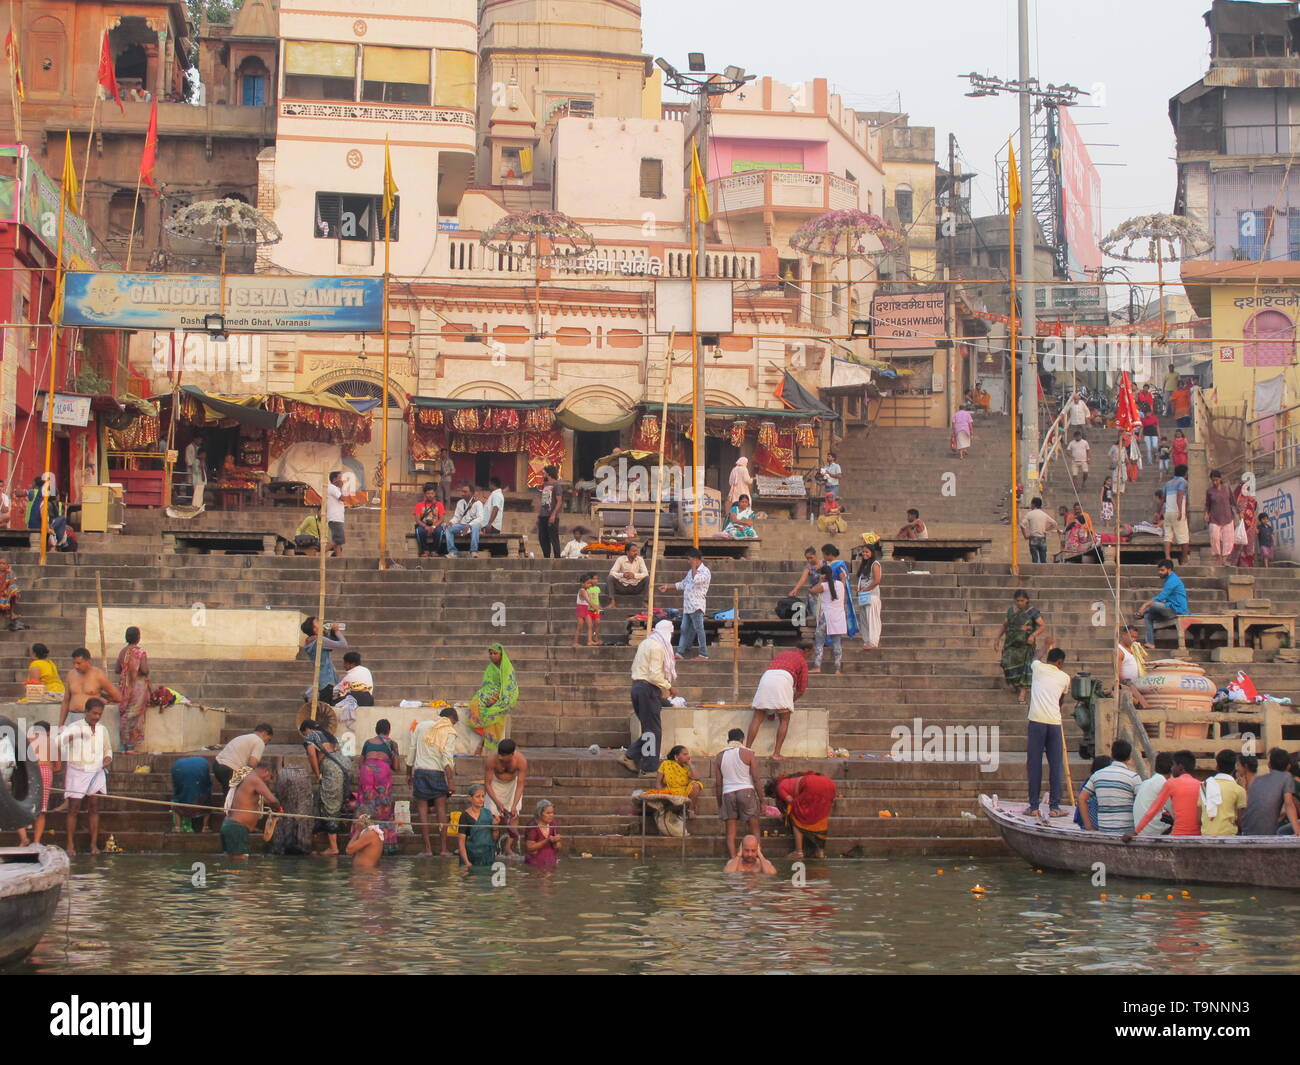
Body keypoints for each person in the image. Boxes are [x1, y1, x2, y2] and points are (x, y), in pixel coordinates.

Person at [622, 619, 678, 774]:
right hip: (647, 688)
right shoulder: (657, 647)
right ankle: (639, 761)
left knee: (650, 731)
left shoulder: (646, 643)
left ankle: (640, 761)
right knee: (653, 732)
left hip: (637, 687)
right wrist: (669, 686)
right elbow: (654, 675)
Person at [60, 698, 113, 855]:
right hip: (77, 770)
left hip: (96, 771)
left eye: (99, 714)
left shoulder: (103, 729)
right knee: (73, 808)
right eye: (94, 713)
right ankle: (70, 845)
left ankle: (93, 845)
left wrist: (108, 759)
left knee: (94, 806)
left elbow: (108, 749)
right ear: (86, 711)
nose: (96, 717)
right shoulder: (74, 727)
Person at [1024, 645, 1071, 818]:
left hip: (1036, 722)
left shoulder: (1037, 667)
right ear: (1060, 662)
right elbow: (1061, 701)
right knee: (1056, 765)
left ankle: (1034, 806)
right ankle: (1055, 807)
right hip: (1054, 723)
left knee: (1034, 764)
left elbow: (1036, 655)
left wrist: (1045, 643)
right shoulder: (1065, 677)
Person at [408, 707, 458, 856]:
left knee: (422, 810)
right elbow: (447, 758)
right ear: (451, 719)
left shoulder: (422, 726)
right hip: (437, 772)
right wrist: (450, 780)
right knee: (441, 809)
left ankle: (427, 849)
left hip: (420, 771)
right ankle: (443, 849)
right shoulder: (449, 731)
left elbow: (412, 751)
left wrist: (408, 773)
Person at [744, 649, 808, 761]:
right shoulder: (802, 661)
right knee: (784, 720)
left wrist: (772, 710)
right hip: (783, 680)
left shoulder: (782, 653)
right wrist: (789, 701)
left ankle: (746, 750)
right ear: (808, 651)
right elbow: (801, 690)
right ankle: (776, 754)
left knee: (757, 717)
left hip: (767, 677)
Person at [301, 719, 352, 856]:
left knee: (330, 806)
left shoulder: (311, 736)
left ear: (307, 729)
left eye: (304, 733)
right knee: (335, 803)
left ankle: (333, 847)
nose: (304, 736)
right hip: (344, 769)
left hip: (332, 771)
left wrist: (317, 774)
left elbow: (312, 754)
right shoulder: (330, 736)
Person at [1125, 750, 1201, 839]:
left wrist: (1136, 831)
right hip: (1196, 834)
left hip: (1173, 833)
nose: (1172, 768)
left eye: (1173, 765)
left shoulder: (1166, 783)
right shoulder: (1200, 784)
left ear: (1180, 767)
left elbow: (1154, 810)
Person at [353, 719, 400, 854]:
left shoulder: (368, 742)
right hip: (382, 772)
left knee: (365, 805)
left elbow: (360, 763)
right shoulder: (392, 744)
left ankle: (362, 839)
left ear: (376, 730)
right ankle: (384, 843)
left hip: (366, 771)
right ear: (389, 730)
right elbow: (397, 767)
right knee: (383, 807)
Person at [767, 770, 836, 859]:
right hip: (829, 783)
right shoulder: (791, 780)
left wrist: (785, 815)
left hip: (811, 785)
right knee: (821, 817)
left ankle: (798, 852)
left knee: (796, 815)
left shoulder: (780, 787)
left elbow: (791, 801)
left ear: (773, 792)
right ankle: (820, 853)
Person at [715, 728, 761, 859]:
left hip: (727, 793)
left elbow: (718, 783)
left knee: (730, 833)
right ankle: (756, 858)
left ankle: (733, 861)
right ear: (742, 740)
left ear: (728, 740)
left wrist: (720, 803)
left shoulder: (719, 756)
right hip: (746, 791)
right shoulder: (749, 753)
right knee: (754, 828)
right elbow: (756, 779)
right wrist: (762, 800)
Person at [1077, 740, 1142, 833]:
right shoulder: (1134, 777)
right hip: (1127, 832)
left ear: (1112, 754)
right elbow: (1140, 803)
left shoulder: (1097, 775)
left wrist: (1088, 826)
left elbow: (1082, 798)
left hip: (1104, 829)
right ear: (1129, 757)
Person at [659, 549, 711, 660]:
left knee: (699, 629)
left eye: (690, 560)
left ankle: (703, 654)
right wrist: (668, 586)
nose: (688, 562)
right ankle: (680, 652)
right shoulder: (690, 572)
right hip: (688, 606)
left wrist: (693, 567)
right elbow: (683, 584)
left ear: (696, 559)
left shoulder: (705, 572)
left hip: (697, 606)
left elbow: (696, 579)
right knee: (684, 628)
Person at [996, 590, 1046, 703]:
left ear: (1027, 600)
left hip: (1026, 645)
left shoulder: (1032, 611)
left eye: (1022, 601)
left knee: (1026, 668)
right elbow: (1005, 625)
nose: (1019, 603)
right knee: (1006, 663)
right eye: (1017, 601)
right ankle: (1015, 685)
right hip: (1011, 643)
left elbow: (1042, 626)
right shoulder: (1010, 610)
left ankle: (1022, 694)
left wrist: (1033, 635)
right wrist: (997, 639)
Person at [467, 643, 518, 755]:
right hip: (489, 692)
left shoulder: (507, 668)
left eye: (495, 653)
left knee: (492, 713)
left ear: (501, 654)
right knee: (474, 703)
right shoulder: (490, 668)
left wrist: (495, 699)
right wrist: (485, 697)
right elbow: (487, 685)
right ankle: (483, 736)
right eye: (490, 653)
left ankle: (482, 744)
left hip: (505, 697)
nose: (492, 656)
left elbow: (509, 688)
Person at [221, 763, 281, 858]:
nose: (269, 781)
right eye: (271, 777)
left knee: (232, 866)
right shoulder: (254, 779)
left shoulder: (246, 777)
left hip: (230, 826)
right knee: (240, 865)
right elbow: (273, 801)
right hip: (236, 828)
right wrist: (279, 809)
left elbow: (252, 799)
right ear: (266, 772)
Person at [58, 649, 121, 729]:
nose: (76, 666)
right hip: (73, 716)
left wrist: (102, 696)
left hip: (90, 719)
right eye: (74, 663)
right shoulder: (71, 674)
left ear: (89, 662)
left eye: (79, 663)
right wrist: (61, 724)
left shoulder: (98, 675)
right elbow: (66, 701)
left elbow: (117, 697)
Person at [484, 739, 527, 856]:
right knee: (492, 817)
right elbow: (487, 783)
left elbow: (521, 784)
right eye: (500, 754)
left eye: (504, 756)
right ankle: (491, 848)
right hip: (495, 785)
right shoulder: (492, 760)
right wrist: (497, 802)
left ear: (512, 754)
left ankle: (508, 848)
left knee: (514, 816)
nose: (501, 758)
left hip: (513, 785)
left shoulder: (521, 760)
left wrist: (514, 805)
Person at [1239, 747, 1295, 835]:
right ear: (1288, 766)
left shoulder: (1257, 780)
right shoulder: (1286, 777)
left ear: (1269, 764)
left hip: (1246, 831)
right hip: (1267, 833)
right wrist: (1297, 831)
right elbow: (1289, 805)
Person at [16, 722, 55, 847]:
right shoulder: (51, 743)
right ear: (48, 733)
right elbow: (58, 766)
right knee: (41, 810)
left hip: (28, 772)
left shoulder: (27, 740)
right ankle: (37, 842)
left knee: (19, 806)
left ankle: (24, 839)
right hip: (45, 772)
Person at [113, 627, 150, 753]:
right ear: (138, 637)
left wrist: (127, 669)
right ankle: (130, 746)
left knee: (125, 713)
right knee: (133, 714)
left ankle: (124, 745)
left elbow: (117, 669)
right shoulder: (140, 652)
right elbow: (144, 670)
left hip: (125, 686)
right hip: (137, 687)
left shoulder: (123, 651)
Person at [1137, 559, 1187, 650]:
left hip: (1177, 610)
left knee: (1153, 605)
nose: (1159, 572)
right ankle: (1150, 643)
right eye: (1159, 570)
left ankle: (1143, 613)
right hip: (1169, 608)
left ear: (1169, 570)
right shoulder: (1168, 580)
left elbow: (1161, 597)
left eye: (1162, 570)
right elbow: (1164, 599)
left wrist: (1144, 606)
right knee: (1148, 615)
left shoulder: (1173, 580)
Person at [810, 561, 849, 675]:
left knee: (819, 641)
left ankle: (817, 666)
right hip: (838, 617)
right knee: (837, 644)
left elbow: (812, 590)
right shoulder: (840, 585)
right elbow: (842, 584)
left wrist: (821, 580)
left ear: (823, 575)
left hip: (826, 617)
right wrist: (843, 578)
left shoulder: (823, 586)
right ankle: (838, 669)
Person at [214, 724, 273, 797]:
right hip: (230, 769)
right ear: (264, 733)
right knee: (234, 798)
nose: (267, 743)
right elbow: (252, 764)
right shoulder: (259, 741)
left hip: (217, 766)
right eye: (269, 739)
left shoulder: (242, 737)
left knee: (228, 796)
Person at [299, 616, 347, 704]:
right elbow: (343, 644)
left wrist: (330, 633)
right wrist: (336, 631)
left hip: (321, 679)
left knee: (324, 706)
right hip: (327, 681)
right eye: (318, 623)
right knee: (326, 707)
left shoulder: (310, 641)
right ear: (315, 629)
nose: (322, 624)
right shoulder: (320, 641)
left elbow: (330, 646)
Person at [645, 745, 704, 816]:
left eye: (688, 754)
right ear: (676, 757)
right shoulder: (665, 764)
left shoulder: (688, 767)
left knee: (696, 785)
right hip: (669, 791)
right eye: (685, 754)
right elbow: (658, 782)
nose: (688, 757)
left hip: (684, 792)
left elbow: (697, 777)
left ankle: (689, 810)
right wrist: (661, 795)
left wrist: (690, 764)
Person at [1200, 748, 1248, 837]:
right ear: (1234, 768)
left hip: (1206, 835)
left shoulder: (1204, 785)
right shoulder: (1239, 790)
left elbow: (1198, 818)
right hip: (1229, 836)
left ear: (1217, 766)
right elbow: (1241, 822)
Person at [1132, 751, 1174, 837]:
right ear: (1173, 768)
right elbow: (1174, 812)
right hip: (1152, 830)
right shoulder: (1165, 784)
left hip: (1140, 828)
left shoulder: (1147, 782)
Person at [457, 783, 498, 868]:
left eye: (483, 796)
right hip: (470, 857)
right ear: (470, 798)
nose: (481, 799)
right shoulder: (465, 816)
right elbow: (461, 843)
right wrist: (466, 862)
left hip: (487, 857)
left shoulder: (488, 814)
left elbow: (494, 838)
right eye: (478, 796)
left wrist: (495, 826)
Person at [170, 756, 214, 834]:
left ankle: (177, 827)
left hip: (180, 770)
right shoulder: (203, 763)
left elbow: (176, 787)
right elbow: (208, 784)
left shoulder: (178, 765)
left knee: (177, 798)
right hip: (198, 773)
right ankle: (205, 827)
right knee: (207, 800)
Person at [1204, 468, 1238, 566]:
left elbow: (1233, 501)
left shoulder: (1227, 488)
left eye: (1216, 480)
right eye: (1213, 480)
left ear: (1220, 479)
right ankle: (1218, 557)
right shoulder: (1209, 491)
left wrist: (1238, 512)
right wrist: (1206, 513)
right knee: (1214, 537)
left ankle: (1224, 559)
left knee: (1228, 540)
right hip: (1214, 518)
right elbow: (1207, 505)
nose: (1215, 482)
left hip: (1228, 517)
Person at [444, 483, 486, 558]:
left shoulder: (478, 503)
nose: (462, 493)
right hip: (462, 526)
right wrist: (451, 522)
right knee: (448, 528)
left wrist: (469, 524)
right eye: (462, 491)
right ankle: (452, 552)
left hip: (473, 525)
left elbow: (480, 518)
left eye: (465, 492)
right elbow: (457, 517)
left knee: (476, 527)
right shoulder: (460, 503)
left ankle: (473, 551)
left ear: (472, 493)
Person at [855, 540, 883, 650]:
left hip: (872, 596)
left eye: (867, 552)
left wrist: (864, 590)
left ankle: (873, 642)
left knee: (872, 619)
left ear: (872, 552)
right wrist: (859, 589)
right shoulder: (865, 565)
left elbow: (877, 580)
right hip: (863, 596)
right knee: (864, 620)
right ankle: (866, 641)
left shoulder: (875, 564)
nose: (864, 554)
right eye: (863, 552)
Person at [1162, 463, 1190, 565]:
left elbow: (1163, 498)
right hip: (1177, 512)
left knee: (1168, 536)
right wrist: (1180, 511)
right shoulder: (1183, 482)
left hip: (1168, 512)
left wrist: (1158, 511)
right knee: (1184, 537)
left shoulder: (1168, 483)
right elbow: (1180, 496)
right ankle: (1185, 559)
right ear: (1184, 473)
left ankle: (1168, 557)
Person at [1115, 627, 1149, 710]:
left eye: (1135, 637)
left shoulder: (1135, 649)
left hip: (1139, 684)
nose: (1133, 639)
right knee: (1143, 704)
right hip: (1127, 685)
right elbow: (1118, 674)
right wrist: (1129, 685)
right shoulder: (1119, 651)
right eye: (1131, 636)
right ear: (1123, 635)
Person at [788, 546, 821, 627]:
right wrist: (795, 589)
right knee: (816, 614)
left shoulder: (824, 563)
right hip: (813, 594)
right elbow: (803, 579)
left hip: (823, 592)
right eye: (807, 558)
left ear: (815, 555)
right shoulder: (808, 567)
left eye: (811, 557)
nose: (809, 560)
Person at [536, 465, 565, 558]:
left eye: (544, 473)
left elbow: (559, 501)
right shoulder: (545, 485)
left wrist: (553, 514)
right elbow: (544, 502)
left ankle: (557, 558)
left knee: (553, 538)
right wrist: (539, 516)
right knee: (543, 538)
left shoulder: (557, 485)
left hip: (552, 516)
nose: (543, 474)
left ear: (548, 473)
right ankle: (546, 557)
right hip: (543, 515)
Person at [524, 799, 562, 868]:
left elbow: (558, 848)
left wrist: (556, 841)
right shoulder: (533, 825)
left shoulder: (553, 823)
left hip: (551, 863)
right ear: (540, 813)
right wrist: (547, 840)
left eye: (552, 813)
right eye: (548, 813)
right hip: (535, 864)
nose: (551, 815)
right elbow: (530, 847)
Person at [1230, 474, 1258, 568]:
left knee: (1248, 546)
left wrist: (1255, 526)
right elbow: (1233, 511)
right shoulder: (1236, 501)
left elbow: (1255, 514)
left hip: (1250, 529)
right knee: (1238, 545)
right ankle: (1236, 564)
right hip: (1239, 526)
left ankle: (1248, 565)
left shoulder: (1252, 500)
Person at [1019, 498, 1058, 565]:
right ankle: (1043, 573)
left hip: (1033, 538)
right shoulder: (1044, 514)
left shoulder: (1030, 514)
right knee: (1043, 560)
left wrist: (1025, 536)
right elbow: (1054, 523)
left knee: (1035, 559)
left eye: (1031, 504)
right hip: (1042, 538)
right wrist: (1045, 530)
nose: (1030, 505)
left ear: (1033, 504)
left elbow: (1022, 525)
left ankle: (1035, 572)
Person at [412, 483, 445, 557]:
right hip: (423, 525)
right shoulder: (419, 505)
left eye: (432, 493)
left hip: (436, 525)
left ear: (435, 494)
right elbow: (417, 520)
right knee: (419, 531)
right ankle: (425, 550)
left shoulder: (439, 505)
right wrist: (425, 527)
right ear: (425, 494)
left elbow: (442, 519)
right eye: (428, 493)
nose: (430, 495)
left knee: (439, 531)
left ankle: (434, 550)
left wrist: (433, 527)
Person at [574, 572, 602, 647]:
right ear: (582, 583)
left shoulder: (586, 590)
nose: (590, 585)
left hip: (585, 610)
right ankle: (575, 643)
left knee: (590, 626)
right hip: (581, 610)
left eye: (590, 583)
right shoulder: (582, 591)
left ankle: (589, 641)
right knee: (579, 627)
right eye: (588, 583)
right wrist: (595, 607)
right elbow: (588, 601)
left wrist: (597, 606)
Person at [326, 470, 346, 556]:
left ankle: (339, 558)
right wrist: (342, 487)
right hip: (335, 518)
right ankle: (320, 554)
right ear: (334, 479)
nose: (342, 480)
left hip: (338, 518)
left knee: (338, 543)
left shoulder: (336, 489)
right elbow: (342, 498)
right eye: (340, 478)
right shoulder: (332, 488)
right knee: (338, 539)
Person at [0, 560, 25, 631]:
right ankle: (3, 612)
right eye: (0, 563)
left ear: (7, 565)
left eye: (3, 563)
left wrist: (10, 573)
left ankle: (11, 612)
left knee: (14, 588)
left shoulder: (11, 573)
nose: (1, 565)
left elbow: (12, 584)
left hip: (6, 593)